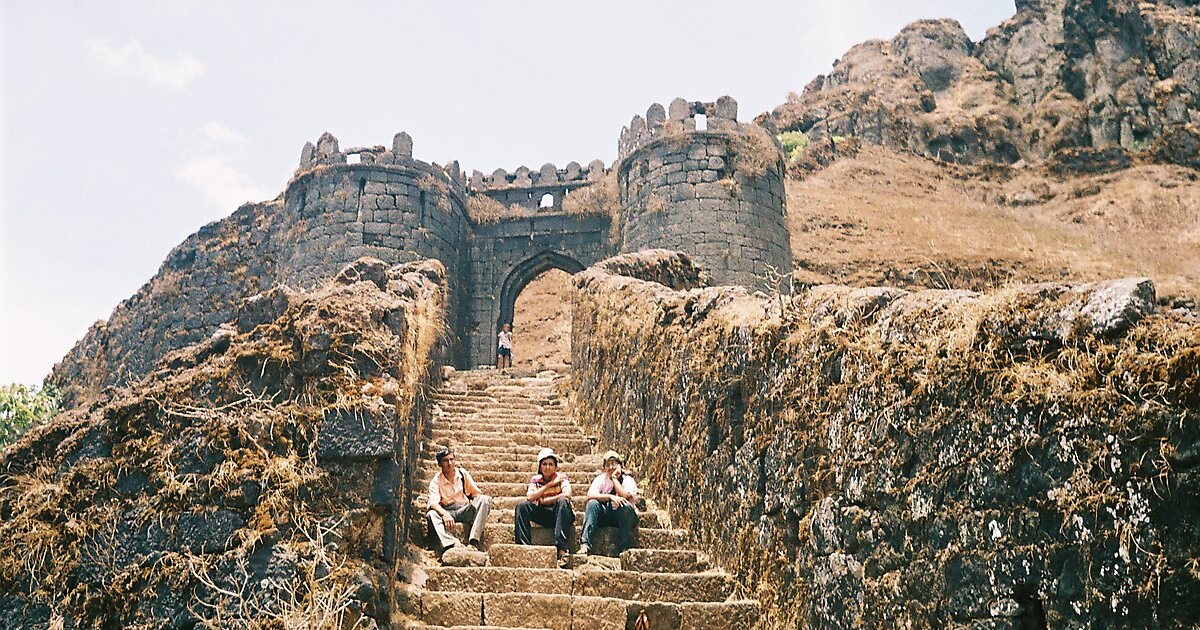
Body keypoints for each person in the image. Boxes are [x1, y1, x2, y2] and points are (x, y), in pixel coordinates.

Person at [514, 447, 574, 567]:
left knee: (562, 502)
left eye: (551, 464)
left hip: (562, 515)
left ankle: (562, 548)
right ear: (540, 467)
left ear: (555, 467)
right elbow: (530, 497)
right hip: (546, 515)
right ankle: (523, 546)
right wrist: (549, 485)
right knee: (522, 506)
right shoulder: (536, 480)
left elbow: (567, 495)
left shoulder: (562, 478)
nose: (547, 467)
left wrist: (545, 500)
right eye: (544, 464)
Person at [427, 447, 491, 554]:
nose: (449, 463)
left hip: (464, 509)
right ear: (440, 464)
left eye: (452, 459)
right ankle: (451, 543)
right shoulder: (436, 480)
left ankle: (474, 541)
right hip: (447, 511)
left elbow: (476, 493)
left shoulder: (462, 474)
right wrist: (444, 514)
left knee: (484, 500)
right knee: (431, 514)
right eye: (445, 461)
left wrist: (478, 505)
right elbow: (433, 503)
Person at [580, 450, 639, 556]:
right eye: (607, 465)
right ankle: (585, 544)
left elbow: (625, 496)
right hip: (605, 514)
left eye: (614, 464)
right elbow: (590, 495)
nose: (611, 467)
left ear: (620, 466)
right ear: (604, 468)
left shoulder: (628, 480)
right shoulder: (601, 479)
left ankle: (624, 546)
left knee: (626, 506)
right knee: (592, 504)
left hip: (622, 516)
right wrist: (610, 496)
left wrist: (615, 478)